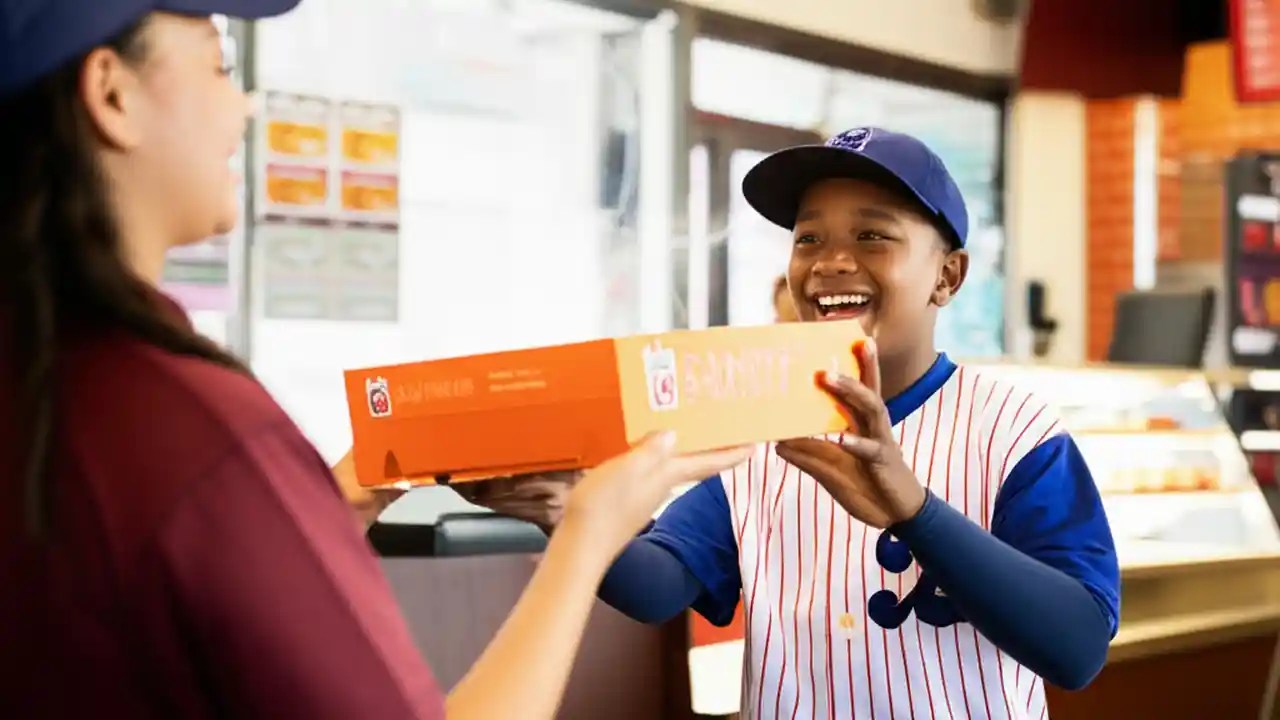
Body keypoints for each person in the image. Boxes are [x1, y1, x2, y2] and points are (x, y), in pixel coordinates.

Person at [0, 3, 751, 719]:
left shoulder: (52, 382)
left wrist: (337, 499)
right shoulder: (196, 428)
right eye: (219, 64)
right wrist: (588, 532)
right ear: (110, 92)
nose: (245, 107)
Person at [466, 128, 1120, 718]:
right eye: (809, 237)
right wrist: (568, 510)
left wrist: (915, 511)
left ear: (947, 276)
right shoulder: (758, 424)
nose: (831, 260)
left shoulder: (1012, 428)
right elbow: (658, 585)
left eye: (871, 235)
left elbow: (1078, 648)